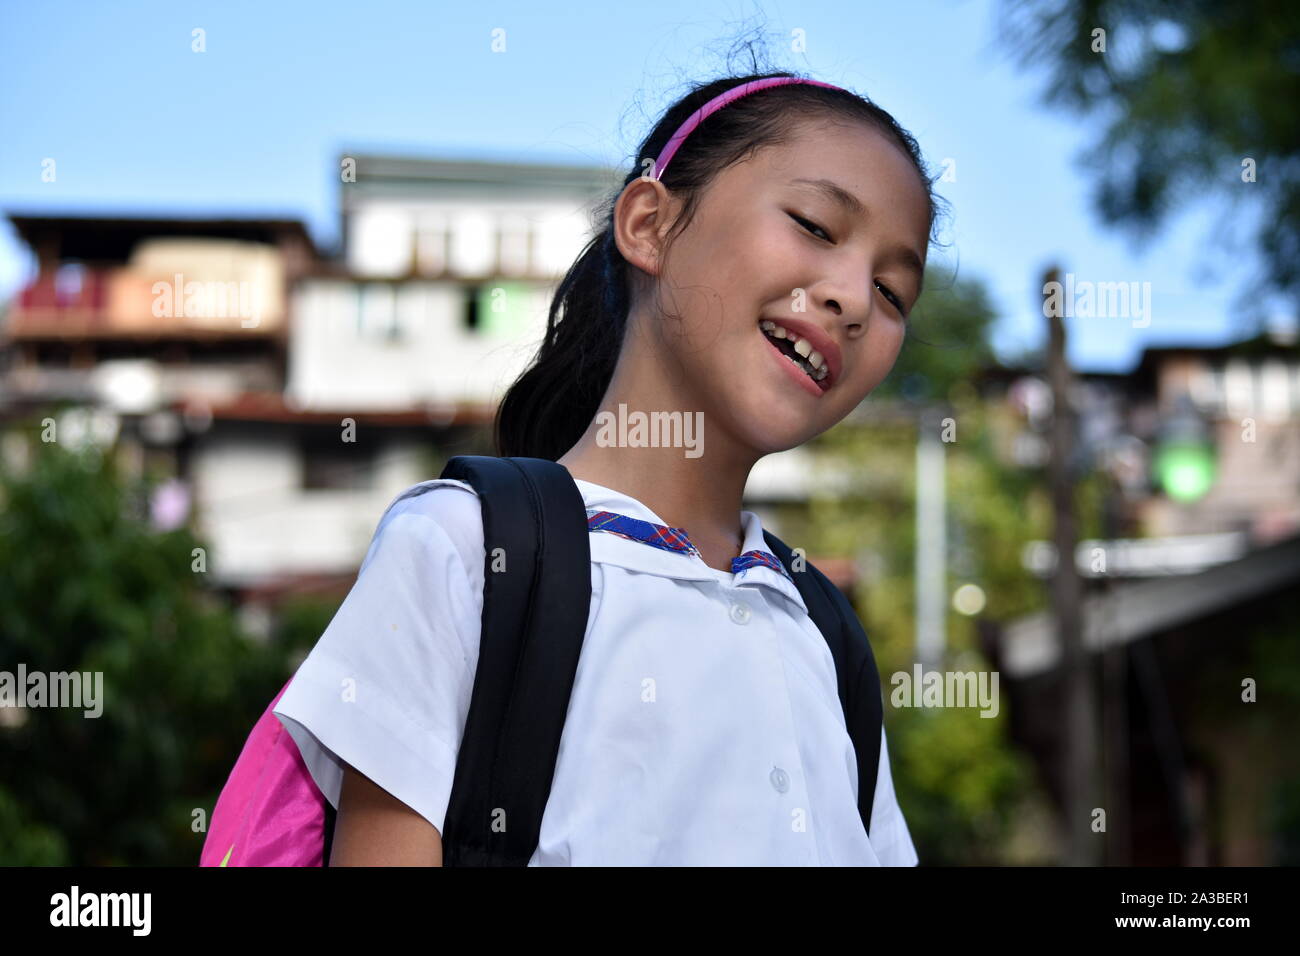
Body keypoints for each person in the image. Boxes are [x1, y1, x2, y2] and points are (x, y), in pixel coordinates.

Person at [274, 69, 939, 866]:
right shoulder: (460, 550)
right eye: (815, 225)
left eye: (894, 291)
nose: (854, 300)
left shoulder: (828, 640)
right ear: (649, 225)